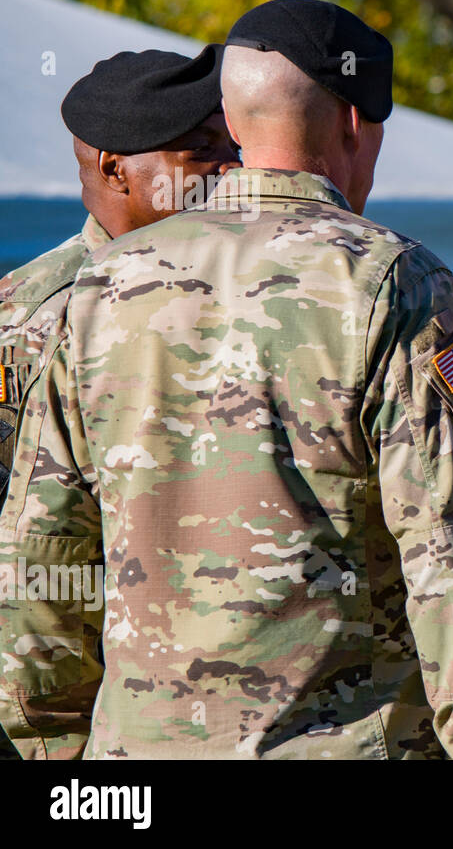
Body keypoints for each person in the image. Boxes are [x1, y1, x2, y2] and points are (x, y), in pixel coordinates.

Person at [0, 0, 453, 759]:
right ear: (356, 124)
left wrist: (54, 751)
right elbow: (450, 548)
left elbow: (44, 545)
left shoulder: (100, 287)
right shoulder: (393, 280)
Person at [0, 46, 238, 760]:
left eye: (233, 148)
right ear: (113, 168)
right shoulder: (35, 317)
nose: (232, 171)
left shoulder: (247, 292)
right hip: (97, 707)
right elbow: (32, 553)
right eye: (202, 154)